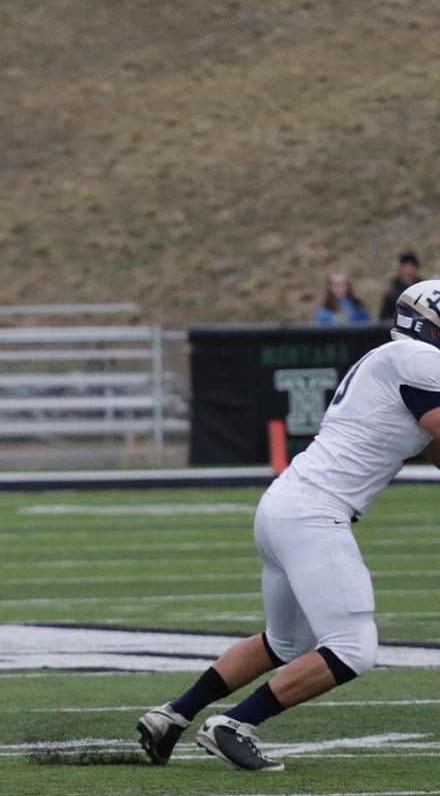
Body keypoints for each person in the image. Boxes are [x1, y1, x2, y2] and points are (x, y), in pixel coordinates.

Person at [138, 279, 440, 771]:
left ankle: (173, 714)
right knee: (353, 649)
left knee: (286, 643)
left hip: (287, 504)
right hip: (315, 512)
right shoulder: (421, 360)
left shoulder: (394, 361)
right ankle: (234, 724)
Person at [380, 252, 421, 321]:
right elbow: (385, 318)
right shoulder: (392, 293)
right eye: (405, 266)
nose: (408, 270)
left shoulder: (422, 289)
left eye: (411, 266)